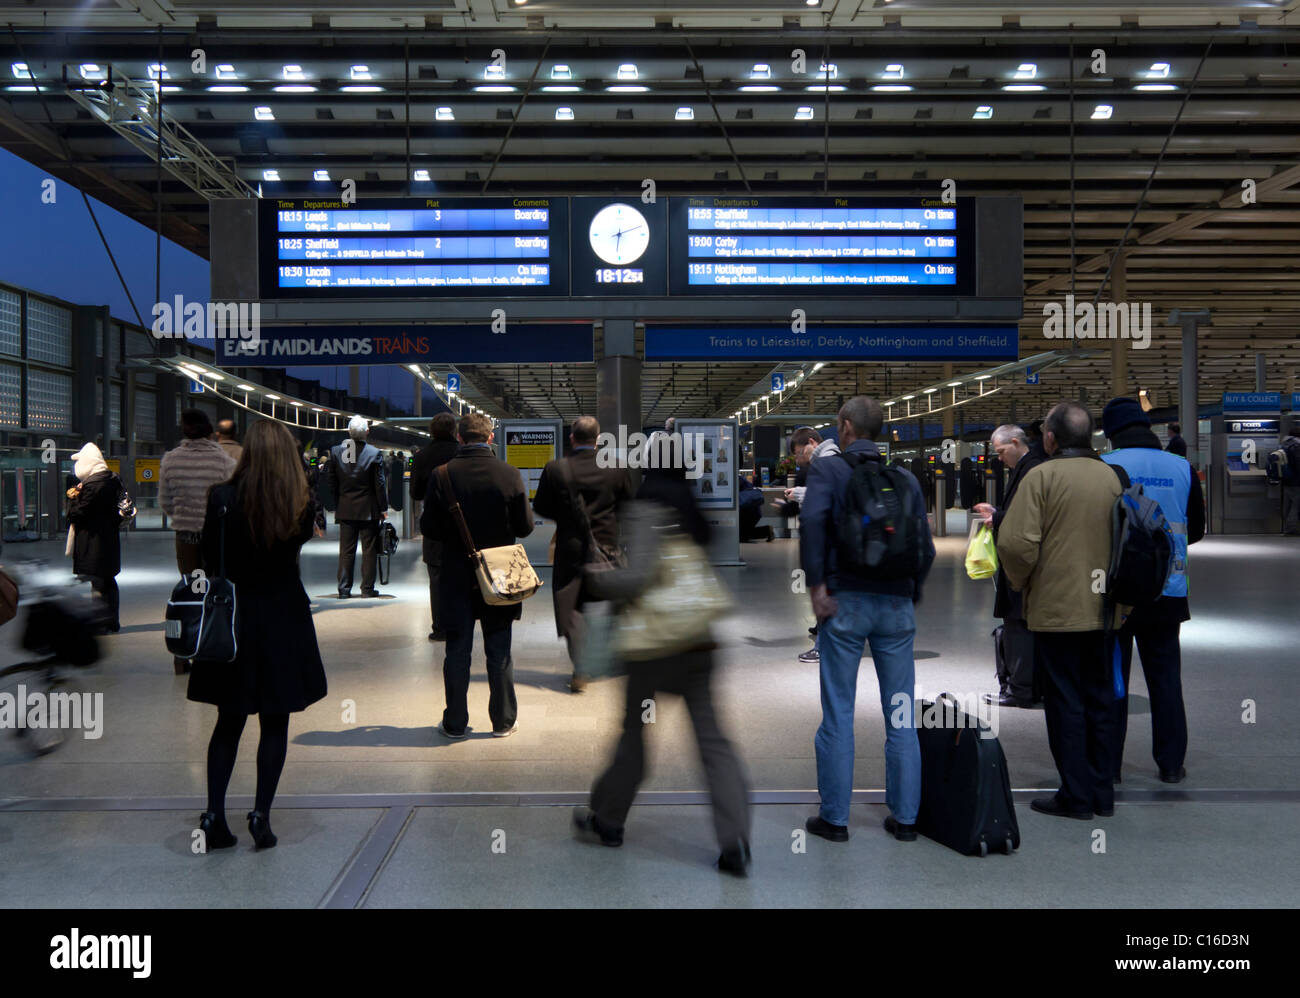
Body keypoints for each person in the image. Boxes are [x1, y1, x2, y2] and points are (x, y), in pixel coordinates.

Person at [574, 433, 753, 875]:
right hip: (699, 640)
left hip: (653, 647)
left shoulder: (647, 506)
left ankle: (608, 821)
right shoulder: (693, 510)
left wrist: (597, 577)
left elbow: (636, 579)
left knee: (635, 732)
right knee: (713, 742)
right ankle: (735, 842)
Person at [799, 397, 936, 843]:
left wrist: (817, 587)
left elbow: (813, 525)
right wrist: (909, 591)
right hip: (895, 605)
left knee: (839, 711)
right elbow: (925, 546)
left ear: (845, 427)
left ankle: (835, 820)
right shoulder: (906, 479)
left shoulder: (829, 471)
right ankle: (906, 818)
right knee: (901, 713)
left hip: (846, 602)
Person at [189, 419, 327, 851]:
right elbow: (296, 545)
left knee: (228, 721)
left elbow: (210, 557)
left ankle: (213, 814)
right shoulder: (300, 503)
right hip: (283, 616)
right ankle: (260, 816)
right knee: (275, 721)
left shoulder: (221, 498)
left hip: (234, 620)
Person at [998, 402, 1123, 820]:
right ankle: (1102, 792)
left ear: (1050, 438)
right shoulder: (1112, 476)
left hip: (1057, 611)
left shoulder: (1042, 476)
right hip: (1107, 611)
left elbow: (1015, 544)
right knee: (1101, 699)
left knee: (1065, 701)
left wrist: (1021, 582)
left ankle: (1076, 795)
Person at [1101, 398, 1206, 784]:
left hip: (1118, 591)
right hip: (1169, 590)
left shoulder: (1107, 466)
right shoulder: (1182, 467)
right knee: (1166, 680)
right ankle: (1171, 764)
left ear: (1112, 432)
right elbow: (1195, 530)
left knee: (1113, 680)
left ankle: (1110, 766)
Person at [420, 413, 533, 738]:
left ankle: (455, 723)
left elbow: (429, 528)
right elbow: (525, 528)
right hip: (500, 576)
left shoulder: (442, 475)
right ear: (490, 438)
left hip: (456, 575)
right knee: (499, 651)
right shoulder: (509, 474)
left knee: (457, 651)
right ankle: (502, 721)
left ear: (459, 438)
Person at [532, 415, 634, 693]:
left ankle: (582, 669)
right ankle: (617, 658)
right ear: (599, 440)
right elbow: (627, 505)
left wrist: (566, 518)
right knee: (615, 601)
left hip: (571, 548)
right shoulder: (616, 466)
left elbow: (540, 506)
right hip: (608, 546)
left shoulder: (556, 468)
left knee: (572, 608)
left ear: (572, 438)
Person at [973, 423, 1048, 708]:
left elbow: (1029, 518)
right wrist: (999, 513)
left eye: (1002, 451)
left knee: (1020, 624)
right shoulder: (1025, 467)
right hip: (1023, 563)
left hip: (1023, 565)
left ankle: (1021, 689)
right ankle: (1023, 686)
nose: (1000, 458)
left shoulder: (1032, 469)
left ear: (1016, 442)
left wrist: (1001, 519)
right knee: (1019, 624)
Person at [160, 410, 238, 672]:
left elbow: (165, 500)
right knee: (215, 588)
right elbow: (232, 496)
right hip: (216, 536)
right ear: (209, 431)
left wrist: (182, 518)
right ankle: (212, 646)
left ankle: (182, 656)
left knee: (190, 589)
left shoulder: (171, 460)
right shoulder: (222, 460)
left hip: (186, 537)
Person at [64, 442, 127, 633]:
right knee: (109, 580)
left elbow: (76, 514)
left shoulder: (93, 485)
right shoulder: (113, 479)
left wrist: (73, 498)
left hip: (93, 541)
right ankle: (112, 621)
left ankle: (100, 624)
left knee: (98, 581)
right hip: (109, 538)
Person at [410, 413, 460, 640]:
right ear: (453, 430)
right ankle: (460, 623)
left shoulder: (422, 456)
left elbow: (415, 493)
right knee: (462, 575)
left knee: (437, 578)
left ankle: (439, 627)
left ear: (431, 431)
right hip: (462, 524)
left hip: (434, 524)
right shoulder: (461, 453)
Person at [326, 415, 388, 598]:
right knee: (369, 550)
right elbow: (380, 484)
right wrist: (383, 507)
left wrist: (338, 501)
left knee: (346, 550)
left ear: (348, 432)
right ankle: (367, 589)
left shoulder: (338, 451)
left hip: (346, 508)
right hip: (368, 510)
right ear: (367, 432)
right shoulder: (374, 453)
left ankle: (344, 589)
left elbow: (331, 481)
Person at [1281, 423, 1300, 535]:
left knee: (1288, 505)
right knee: (1296, 505)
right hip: (1296, 480)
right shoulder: (1296, 446)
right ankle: (1291, 529)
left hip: (1287, 479)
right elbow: (1299, 464)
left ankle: (1286, 527)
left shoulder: (1284, 444)